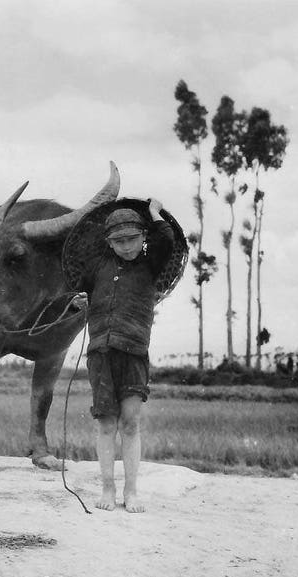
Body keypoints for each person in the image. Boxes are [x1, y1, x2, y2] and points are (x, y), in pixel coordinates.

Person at [74, 199, 174, 512]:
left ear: (144, 238)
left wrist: (155, 214)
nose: (127, 246)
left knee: (130, 423)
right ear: (109, 243)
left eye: (133, 239)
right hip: (101, 352)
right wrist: (76, 300)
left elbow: (167, 239)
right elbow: (75, 292)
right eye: (119, 241)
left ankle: (131, 491)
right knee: (106, 424)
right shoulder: (97, 268)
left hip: (134, 352)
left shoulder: (150, 263)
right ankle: (107, 489)